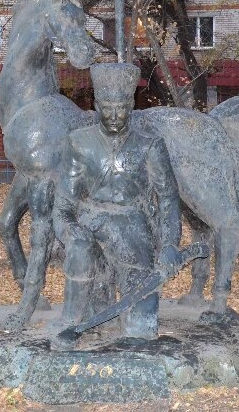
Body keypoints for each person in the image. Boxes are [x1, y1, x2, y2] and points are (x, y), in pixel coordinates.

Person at [53, 62, 184, 343]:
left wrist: (171, 244)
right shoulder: (79, 143)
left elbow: (169, 199)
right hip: (90, 235)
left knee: (142, 325)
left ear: (132, 106)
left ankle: (131, 308)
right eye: (107, 107)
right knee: (81, 254)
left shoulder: (150, 145)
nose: (114, 116)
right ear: (97, 105)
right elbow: (64, 205)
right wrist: (71, 231)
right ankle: (71, 321)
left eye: (122, 107)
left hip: (134, 239)